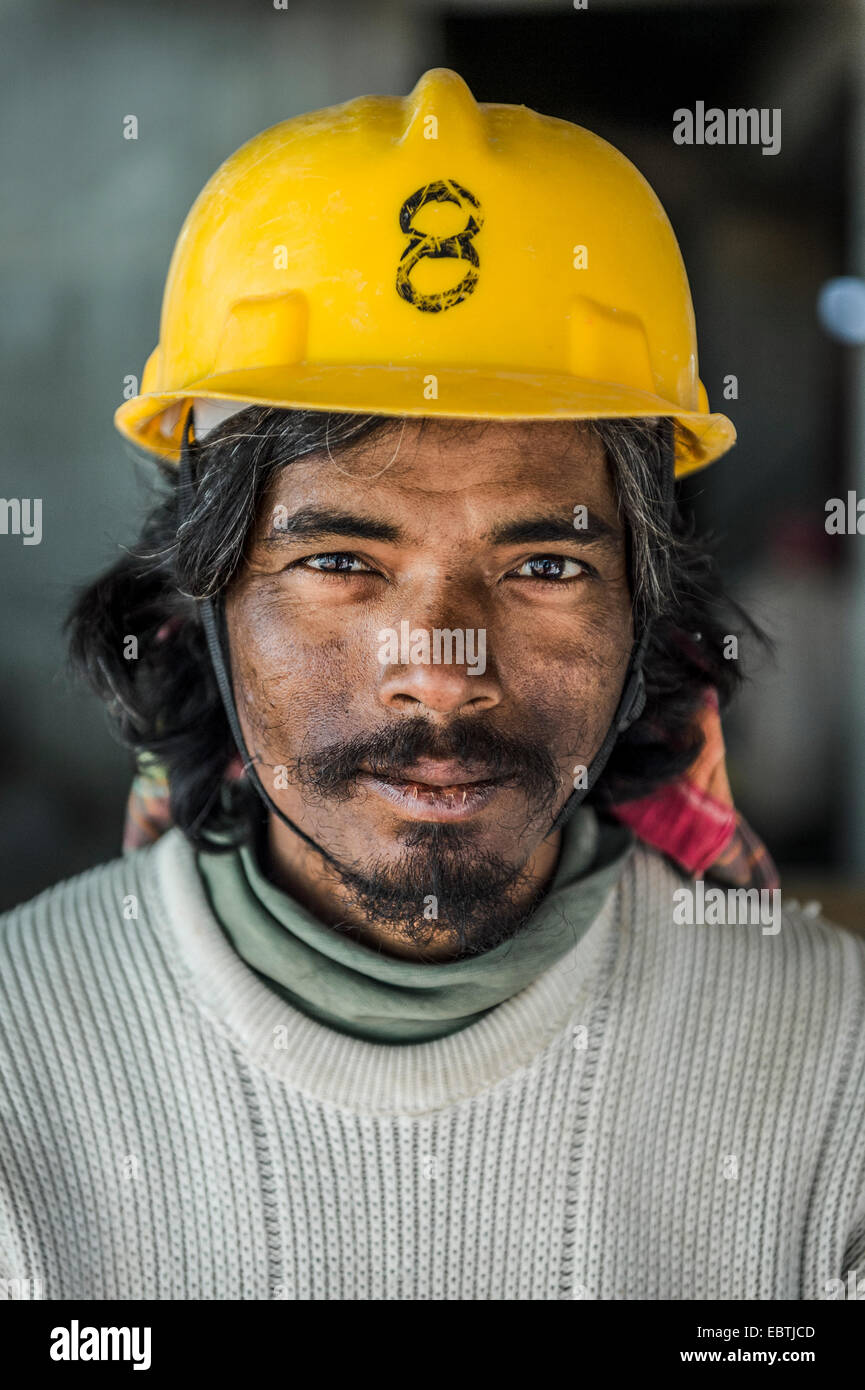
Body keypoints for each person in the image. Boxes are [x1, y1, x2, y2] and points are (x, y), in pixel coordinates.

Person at [0, 69, 862, 1303]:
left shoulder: (835, 1078)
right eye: (341, 561)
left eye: (545, 563)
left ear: (648, 608)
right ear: (199, 601)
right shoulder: (20, 1069)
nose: (441, 679)